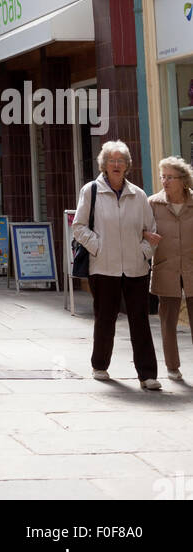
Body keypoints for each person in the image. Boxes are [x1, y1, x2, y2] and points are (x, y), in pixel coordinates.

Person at [72, 139, 161, 390]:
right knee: (105, 318)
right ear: (104, 164)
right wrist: (97, 246)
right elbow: (78, 226)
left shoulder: (138, 194)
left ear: (127, 166)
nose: (116, 164)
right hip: (103, 266)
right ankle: (100, 365)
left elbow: (150, 230)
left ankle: (147, 374)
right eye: (111, 160)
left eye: (121, 160)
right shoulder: (91, 191)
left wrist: (143, 252)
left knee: (140, 321)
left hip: (136, 268)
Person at [148, 156, 193, 379]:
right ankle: (172, 367)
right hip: (166, 268)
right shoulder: (153, 203)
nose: (164, 181)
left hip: (192, 267)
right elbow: (142, 230)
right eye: (162, 177)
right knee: (168, 321)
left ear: (183, 180)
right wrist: (146, 235)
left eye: (170, 177)